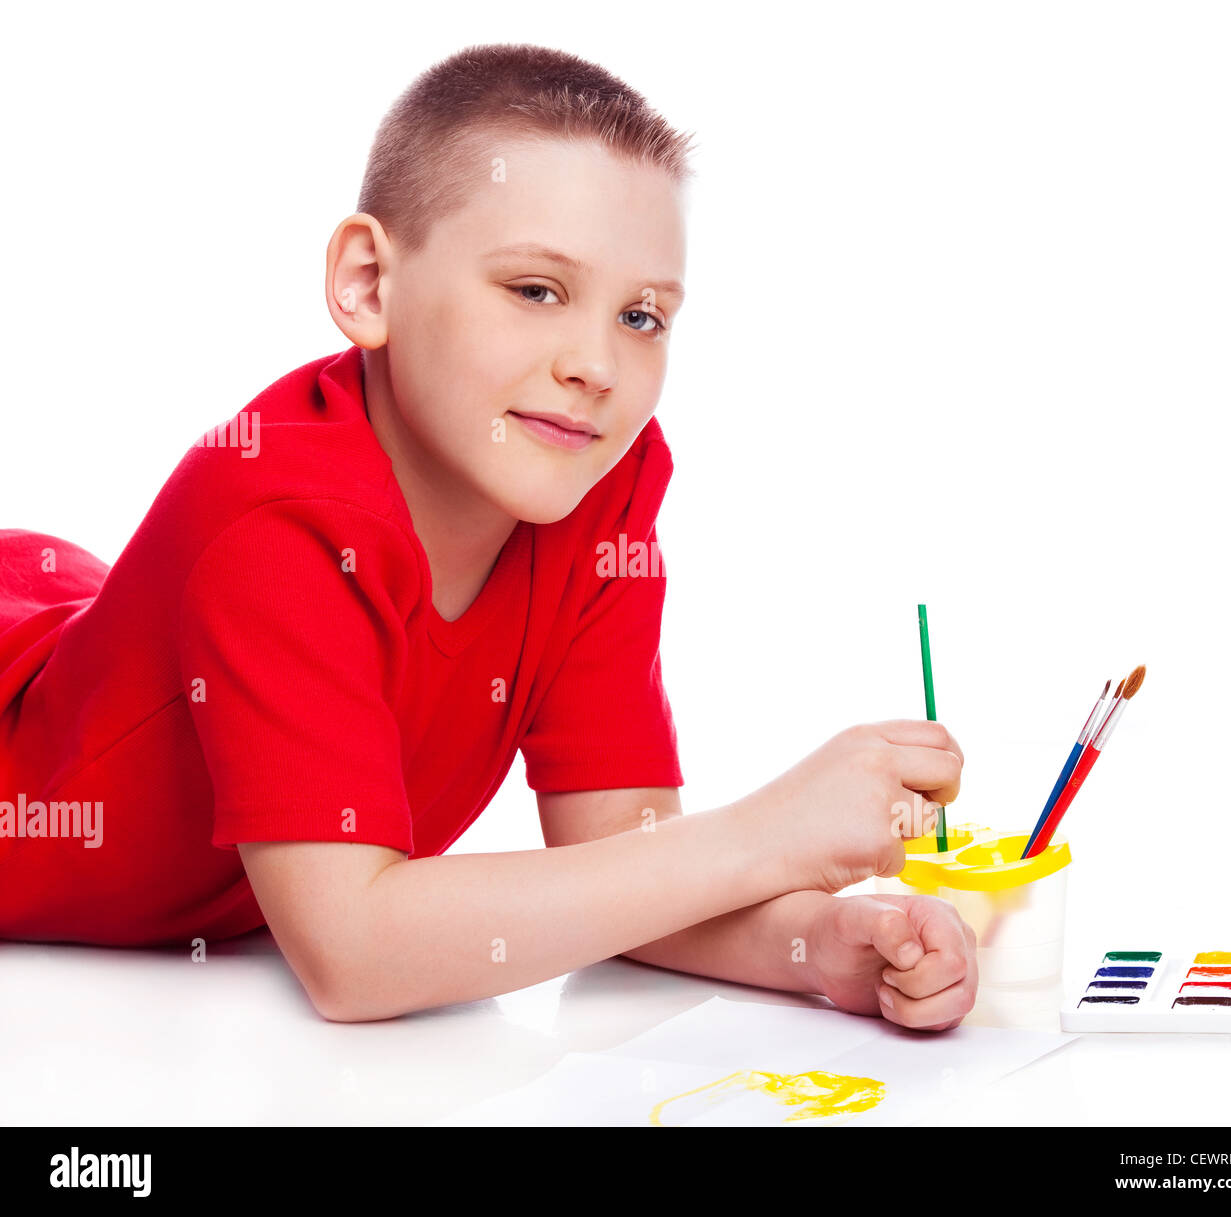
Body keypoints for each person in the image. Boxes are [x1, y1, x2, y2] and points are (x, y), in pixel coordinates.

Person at [0, 42, 975, 1026]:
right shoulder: (279, 524)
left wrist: (812, 944)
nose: (595, 363)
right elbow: (355, 950)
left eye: (641, 315)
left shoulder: (599, 483)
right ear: (369, 285)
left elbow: (620, 859)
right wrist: (771, 833)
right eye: (536, 290)